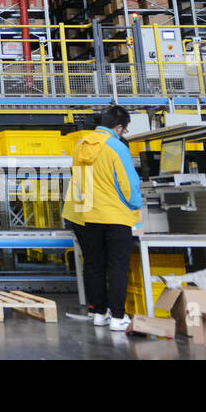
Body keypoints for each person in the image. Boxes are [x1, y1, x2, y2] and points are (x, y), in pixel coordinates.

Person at [62, 103, 143, 332]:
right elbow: (129, 183)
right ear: (119, 128)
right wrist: (137, 205)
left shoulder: (81, 145)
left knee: (94, 265)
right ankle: (118, 317)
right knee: (117, 266)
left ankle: (99, 313)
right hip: (114, 215)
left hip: (85, 215)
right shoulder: (117, 147)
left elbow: (78, 178)